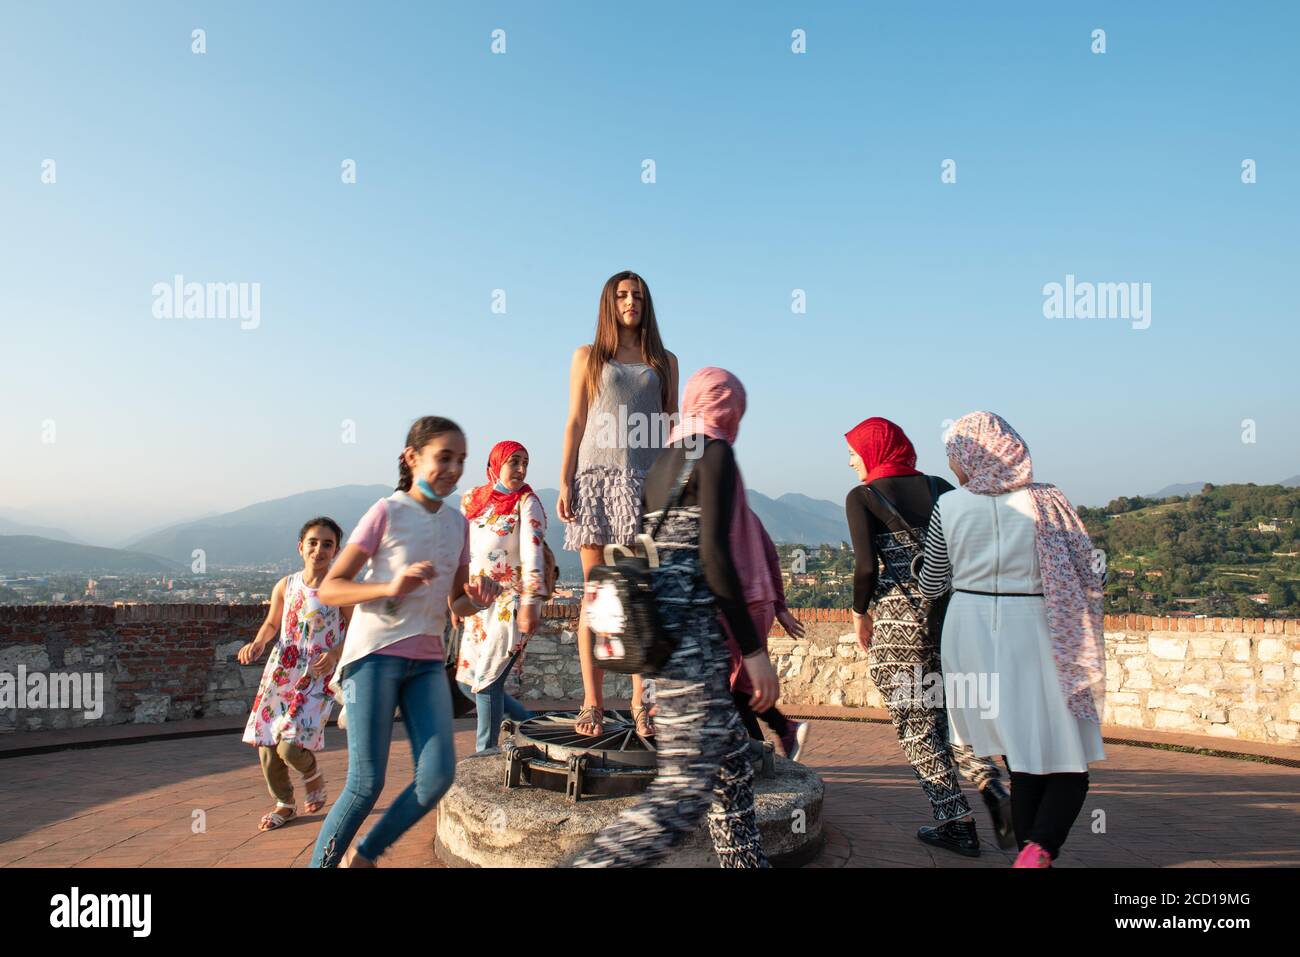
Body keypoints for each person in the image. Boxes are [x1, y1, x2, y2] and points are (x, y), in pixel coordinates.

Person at [572, 367, 779, 868]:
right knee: (682, 794)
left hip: (661, 636)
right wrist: (753, 653)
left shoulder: (665, 459)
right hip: (694, 640)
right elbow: (715, 558)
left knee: (729, 764)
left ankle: (745, 862)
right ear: (727, 408)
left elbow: (652, 549)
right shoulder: (715, 453)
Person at [310, 416, 502, 868]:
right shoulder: (386, 512)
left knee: (436, 777)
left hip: (427, 662)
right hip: (372, 658)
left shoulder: (459, 524)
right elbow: (332, 588)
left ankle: (365, 856)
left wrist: (478, 598)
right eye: (444, 458)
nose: (454, 469)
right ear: (412, 458)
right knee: (365, 783)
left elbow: (456, 604)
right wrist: (388, 587)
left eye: (461, 460)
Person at [920, 411, 1106, 868]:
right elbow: (1090, 569)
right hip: (1038, 626)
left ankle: (1029, 852)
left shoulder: (949, 506)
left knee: (1018, 753)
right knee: (1066, 752)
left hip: (969, 627)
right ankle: (1037, 849)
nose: (953, 468)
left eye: (954, 458)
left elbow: (932, 582)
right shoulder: (1048, 501)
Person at [844, 416, 1012, 857]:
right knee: (954, 713)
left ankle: (955, 822)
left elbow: (866, 567)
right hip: (953, 618)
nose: (849, 461)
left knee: (917, 724)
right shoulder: (942, 487)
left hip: (902, 625)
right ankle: (988, 780)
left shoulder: (862, 496)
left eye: (853, 452)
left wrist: (860, 613)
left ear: (873, 451)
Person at [558, 271, 678, 738]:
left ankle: (640, 701)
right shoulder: (587, 357)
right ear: (610, 302)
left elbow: (670, 428)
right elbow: (575, 420)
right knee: (596, 595)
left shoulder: (664, 360)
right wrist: (564, 480)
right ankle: (592, 701)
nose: (631, 302)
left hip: (645, 483)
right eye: (623, 295)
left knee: (638, 595)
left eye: (639, 296)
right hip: (594, 480)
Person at [239, 517, 351, 830]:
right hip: (282, 669)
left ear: (336, 551)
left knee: (290, 744)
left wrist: (334, 654)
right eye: (313, 542)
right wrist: (258, 641)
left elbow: (354, 628)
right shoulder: (285, 585)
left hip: (317, 672)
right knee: (266, 744)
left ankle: (312, 773)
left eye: (327, 544)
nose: (319, 549)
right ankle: (285, 803)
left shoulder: (338, 588)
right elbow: (272, 623)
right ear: (301, 547)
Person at [455, 440, 544, 752]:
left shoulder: (527, 503)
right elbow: (463, 553)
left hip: (510, 601)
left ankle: (486, 751)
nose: (520, 469)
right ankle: (534, 727)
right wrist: (456, 599)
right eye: (514, 461)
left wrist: (531, 603)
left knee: (488, 680)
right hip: (478, 602)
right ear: (495, 463)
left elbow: (534, 556)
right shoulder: (471, 500)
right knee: (467, 682)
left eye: (525, 462)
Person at [720, 507, 810, 760]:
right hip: (759, 605)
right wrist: (778, 606)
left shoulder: (713, 508)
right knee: (737, 685)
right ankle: (775, 738)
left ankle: (769, 742)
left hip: (740, 608)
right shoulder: (745, 512)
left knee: (730, 684)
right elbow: (772, 557)